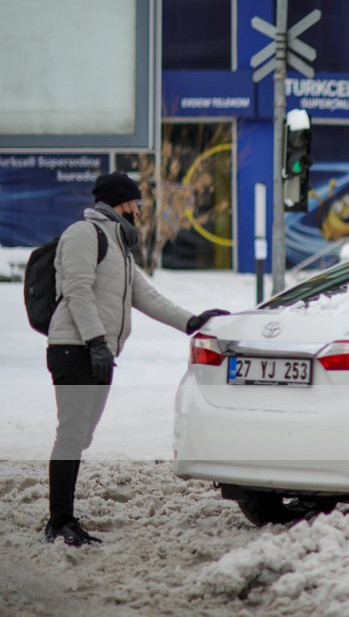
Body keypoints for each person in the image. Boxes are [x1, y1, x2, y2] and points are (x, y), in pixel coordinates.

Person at [44, 172, 229, 546]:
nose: (139, 211)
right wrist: (96, 341)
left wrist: (192, 322)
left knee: (81, 436)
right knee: (71, 434)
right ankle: (60, 522)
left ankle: (62, 517)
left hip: (98, 352)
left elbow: (147, 297)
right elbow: (77, 291)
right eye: (135, 204)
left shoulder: (119, 247)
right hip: (74, 347)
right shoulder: (83, 234)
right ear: (121, 203)